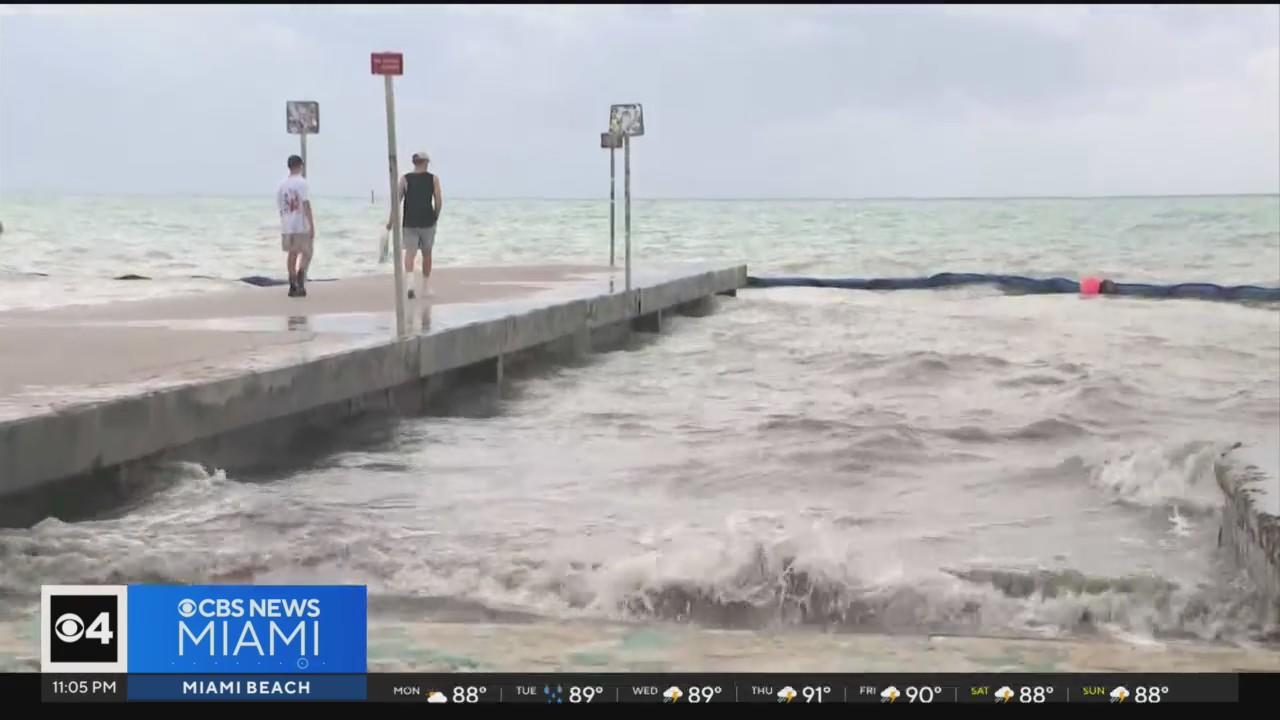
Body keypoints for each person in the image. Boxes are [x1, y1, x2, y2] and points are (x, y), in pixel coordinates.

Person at [387, 151, 442, 299]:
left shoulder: (405, 179)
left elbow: (396, 202)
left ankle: (410, 285)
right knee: (427, 253)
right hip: (427, 221)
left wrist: (390, 222)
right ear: (425, 162)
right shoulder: (433, 179)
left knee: (410, 254)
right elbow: (438, 201)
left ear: (414, 163)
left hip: (409, 222)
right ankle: (425, 287)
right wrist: (435, 215)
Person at [276, 155, 315, 297]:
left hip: (287, 225)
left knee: (292, 254)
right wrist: (311, 224)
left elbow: (280, 207)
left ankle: (292, 284)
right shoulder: (302, 183)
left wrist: (284, 222)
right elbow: (306, 204)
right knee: (307, 252)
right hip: (300, 224)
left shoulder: (282, 185)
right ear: (300, 166)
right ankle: (300, 277)